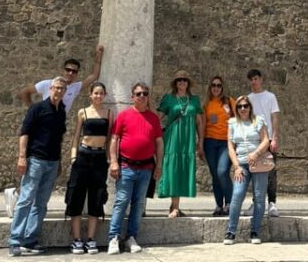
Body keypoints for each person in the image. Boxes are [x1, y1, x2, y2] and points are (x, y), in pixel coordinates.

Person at [8, 76, 68, 257]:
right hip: (35, 160)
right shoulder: (37, 108)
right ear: (50, 89)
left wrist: (59, 161)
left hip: (52, 162)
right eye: (56, 87)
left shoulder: (62, 111)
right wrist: (21, 157)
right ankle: (15, 241)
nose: (59, 91)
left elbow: (59, 138)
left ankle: (30, 240)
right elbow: (24, 133)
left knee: (41, 203)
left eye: (62, 89)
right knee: (26, 199)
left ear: (65, 92)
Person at [107, 82, 164, 255]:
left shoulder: (154, 118)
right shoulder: (124, 116)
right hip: (126, 166)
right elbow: (114, 139)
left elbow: (159, 143)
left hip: (146, 168)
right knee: (121, 202)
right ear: (132, 97)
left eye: (145, 93)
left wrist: (159, 165)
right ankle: (114, 237)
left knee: (138, 204)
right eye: (138, 94)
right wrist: (114, 162)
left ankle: (131, 237)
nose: (142, 96)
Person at [65, 81, 115, 255]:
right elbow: (76, 136)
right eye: (96, 93)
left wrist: (109, 158)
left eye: (101, 93)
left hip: (100, 158)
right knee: (76, 195)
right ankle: (77, 240)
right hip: (83, 156)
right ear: (90, 95)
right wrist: (73, 157)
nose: (98, 96)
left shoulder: (109, 114)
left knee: (97, 196)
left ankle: (91, 239)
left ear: (104, 95)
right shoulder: (83, 112)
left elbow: (109, 139)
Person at [223, 95, 271, 245]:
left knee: (259, 197)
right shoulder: (232, 123)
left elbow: (265, 140)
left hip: (259, 163)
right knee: (237, 196)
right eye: (239, 106)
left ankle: (255, 231)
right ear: (236, 109)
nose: (243, 108)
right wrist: (236, 166)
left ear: (250, 107)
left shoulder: (258, 121)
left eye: (245, 106)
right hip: (242, 165)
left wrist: (256, 153)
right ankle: (231, 231)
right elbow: (231, 147)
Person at [157, 69, 204, 218]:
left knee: (183, 168)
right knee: (173, 168)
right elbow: (158, 117)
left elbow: (199, 122)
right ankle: (175, 207)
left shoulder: (194, 100)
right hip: (173, 137)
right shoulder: (169, 99)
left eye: (184, 80)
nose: (182, 82)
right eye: (179, 80)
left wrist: (200, 140)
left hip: (188, 139)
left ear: (188, 83)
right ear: (175, 83)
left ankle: (175, 206)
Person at [18, 44, 105, 113]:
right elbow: (24, 92)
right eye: (68, 70)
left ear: (77, 74)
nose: (71, 73)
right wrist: (34, 110)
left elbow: (94, 76)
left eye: (74, 71)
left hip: (59, 123)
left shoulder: (75, 87)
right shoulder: (47, 83)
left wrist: (99, 55)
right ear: (63, 70)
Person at [246, 68, 280, 217]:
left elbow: (275, 118)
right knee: (255, 171)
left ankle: (272, 203)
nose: (254, 82)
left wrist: (275, 137)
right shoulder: (248, 98)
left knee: (270, 171)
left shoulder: (270, 97)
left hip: (269, 139)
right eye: (251, 80)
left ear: (261, 79)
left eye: (255, 79)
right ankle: (256, 202)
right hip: (254, 140)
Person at [202, 76, 235, 216]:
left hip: (225, 142)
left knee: (222, 171)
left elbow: (239, 118)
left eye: (219, 85)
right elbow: (202, 125)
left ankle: (230, 202)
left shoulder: (230, 102)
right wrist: (200, 145)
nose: (216, 88)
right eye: (213, 85)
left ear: (222, 87)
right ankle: (218, 205)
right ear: (210, 88)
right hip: (209, 142)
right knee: (215, 174)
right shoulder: (206, 104)